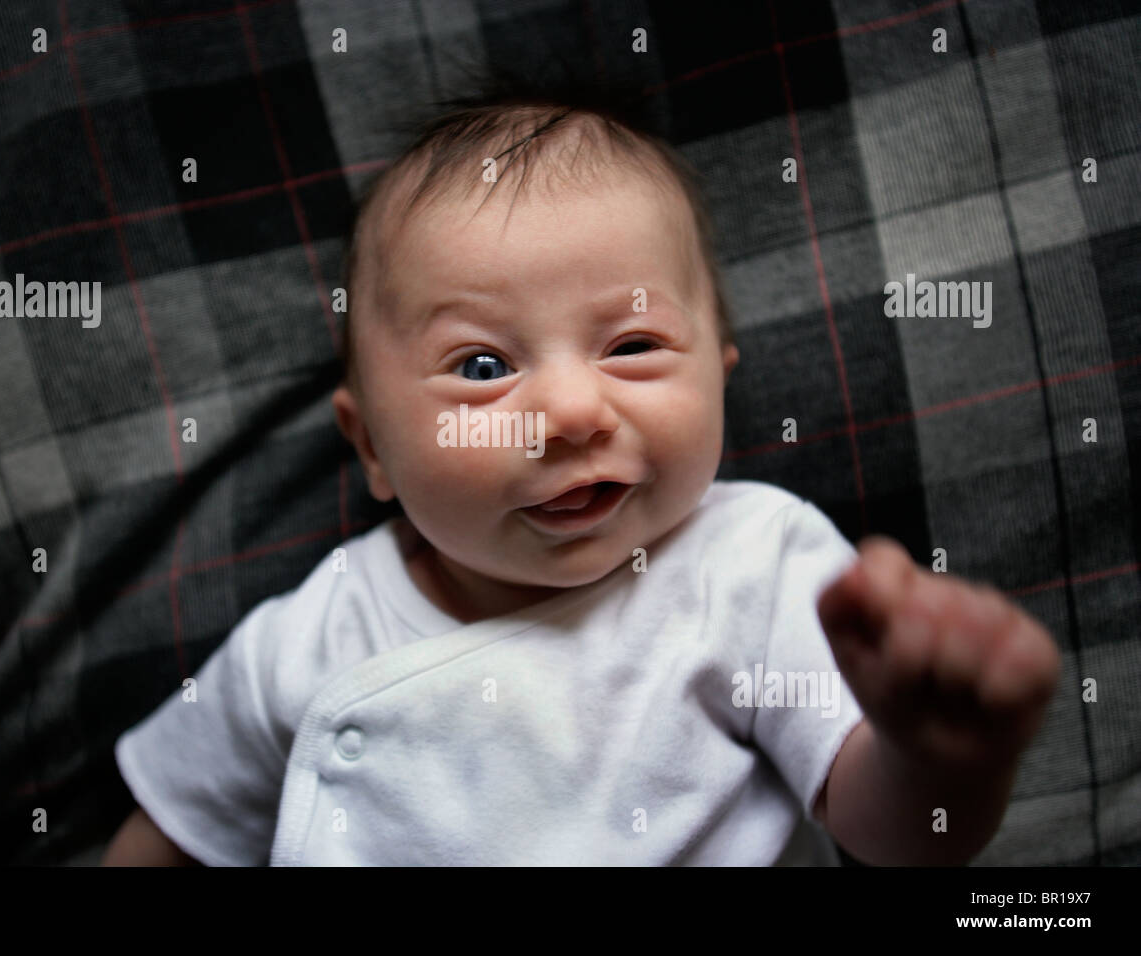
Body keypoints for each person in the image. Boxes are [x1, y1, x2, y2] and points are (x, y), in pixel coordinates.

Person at [103, 87, 1060, 866]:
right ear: (372, 452)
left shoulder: (755, 567)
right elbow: (171, 833)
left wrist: (938, 758)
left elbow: (886, 832)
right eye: (483, 366)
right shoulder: (313, 636)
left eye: (633, 345)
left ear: (720, 382)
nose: (568, 412)